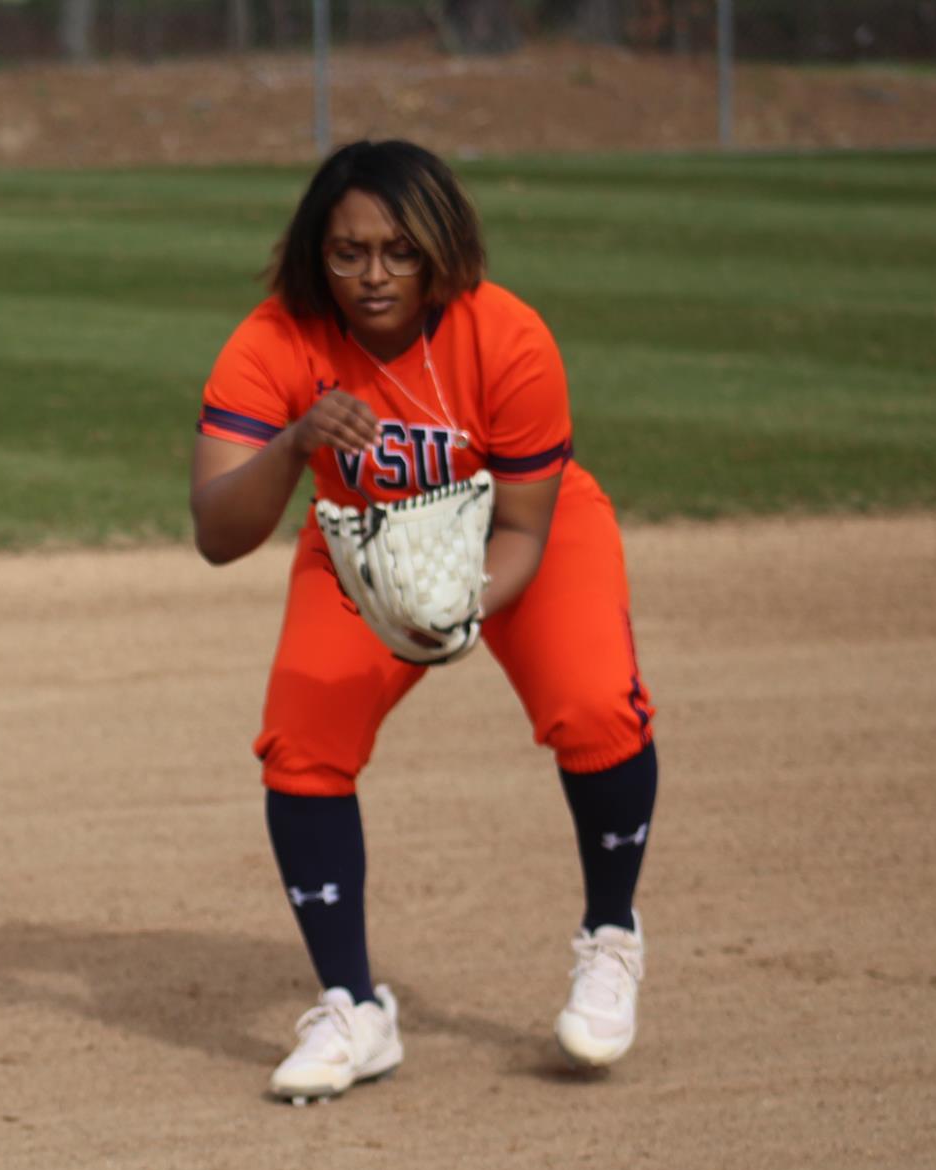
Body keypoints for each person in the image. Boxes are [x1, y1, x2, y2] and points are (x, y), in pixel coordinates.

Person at [190, 140, 658, 1102]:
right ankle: (356, 1008)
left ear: (443, 248)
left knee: (593, 704)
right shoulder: (276, 341)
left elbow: (528, 524)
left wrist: (455, 609)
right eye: (347, 251)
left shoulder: (509, 336)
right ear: (316, 253)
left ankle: (611, 936)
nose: (372, 275)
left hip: (517, 532)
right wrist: (292, 443)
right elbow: (217, 532)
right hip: (362, 542)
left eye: (399, 251)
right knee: (301, 745)